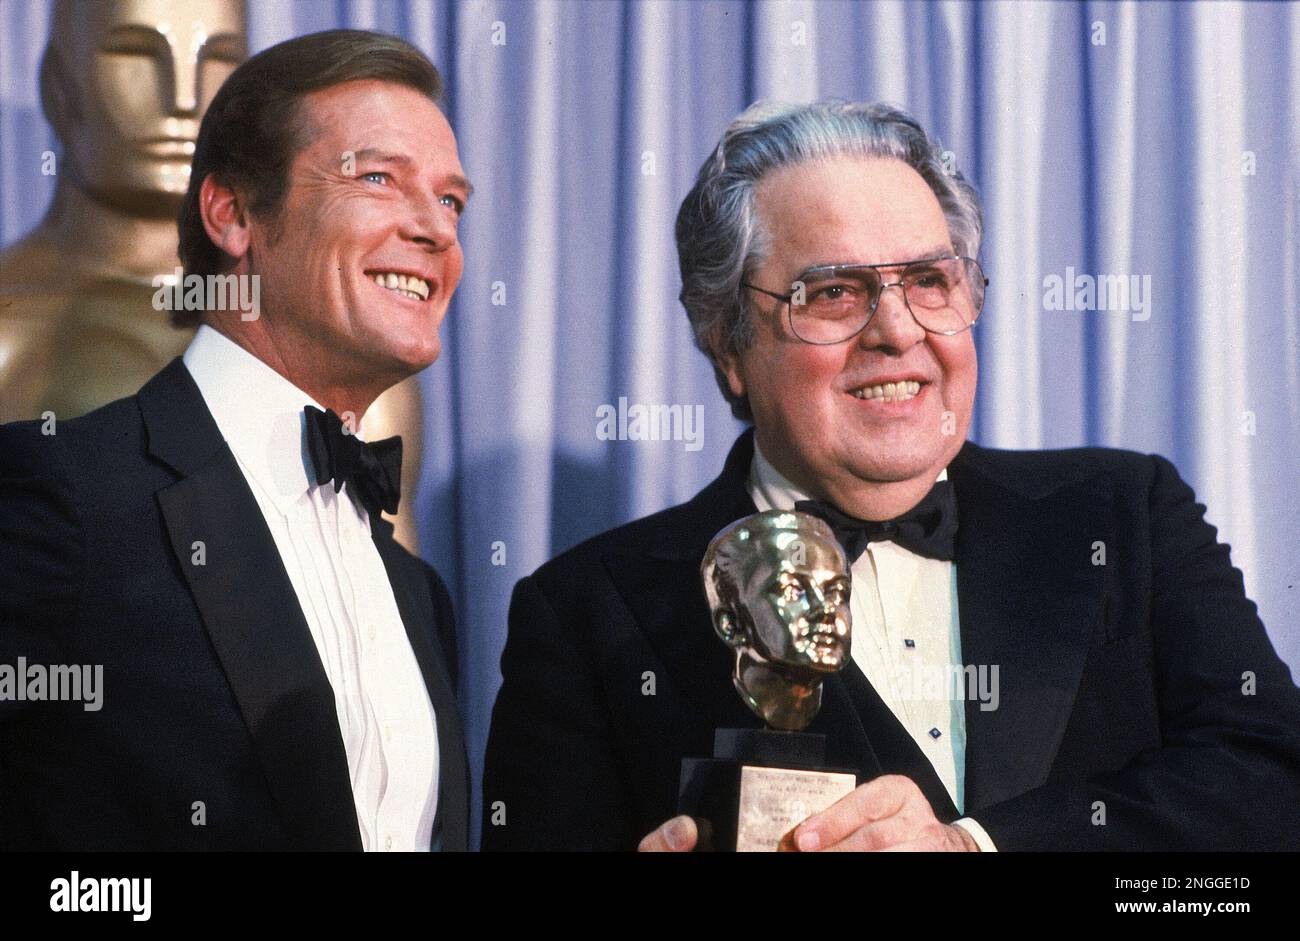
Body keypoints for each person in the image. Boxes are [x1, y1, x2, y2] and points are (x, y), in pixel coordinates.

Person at [480, 99, 1300, 852]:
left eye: (930, 281)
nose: (898, 332)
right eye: (835, 292)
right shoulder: (587, 615)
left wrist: (974, 847)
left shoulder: (1127, 513)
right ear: (729, 344)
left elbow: (1275, 785)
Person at [0, 29, 472, 851]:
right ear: (233, 213)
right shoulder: (64, 497)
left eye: (452, 200)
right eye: (378, 178)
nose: (436, 228)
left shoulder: (417, 594)